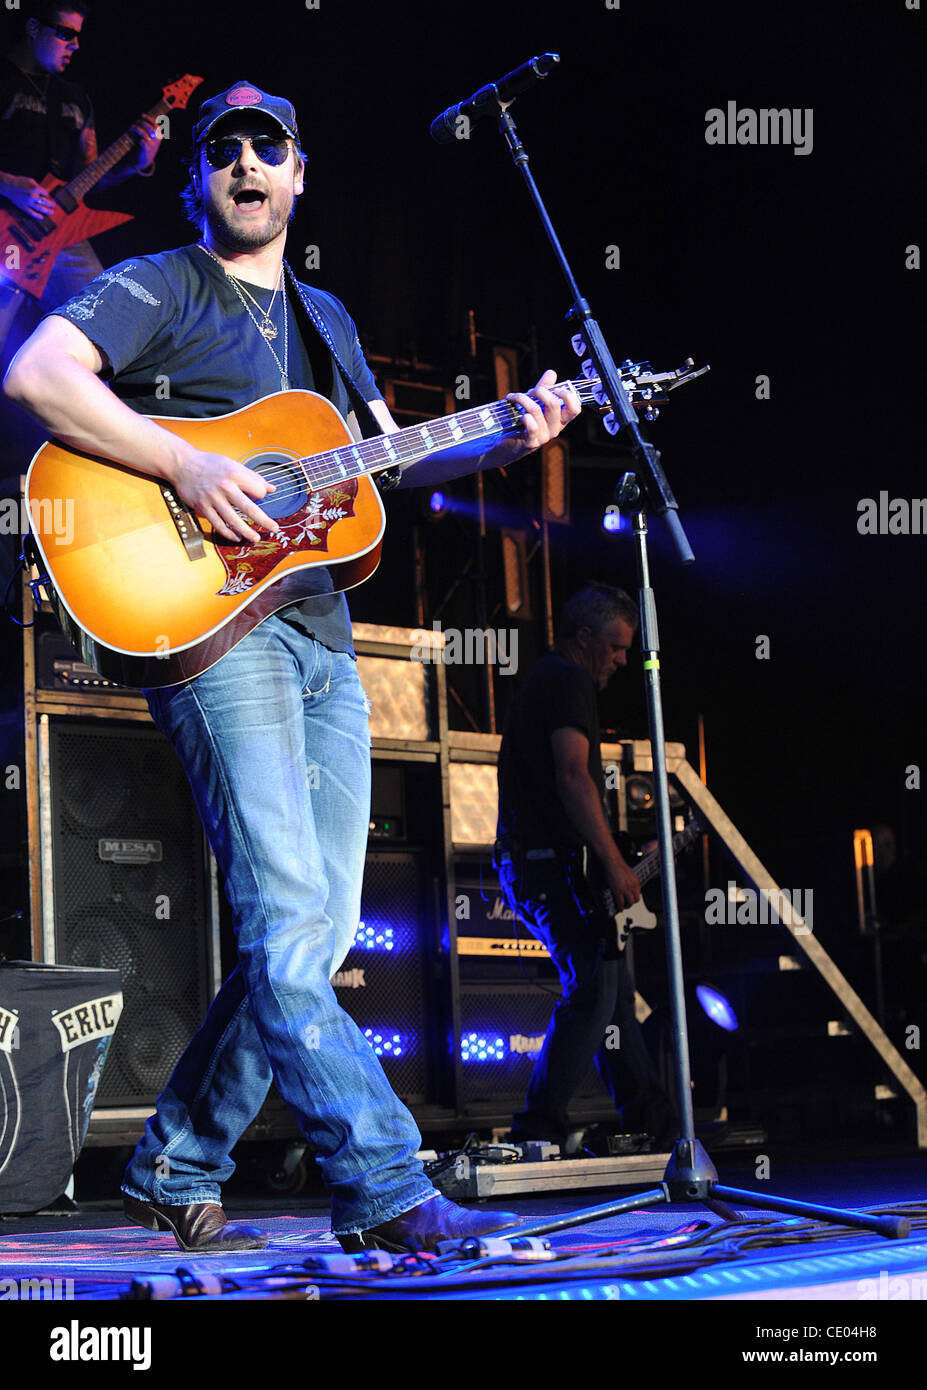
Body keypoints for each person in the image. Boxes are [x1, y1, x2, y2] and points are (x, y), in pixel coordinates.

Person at [3, 79, 581, 1253]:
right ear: (199, 178)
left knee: (314, 930)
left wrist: (503, 432)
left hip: (319, 628)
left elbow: (381, 467)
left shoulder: (326, 317)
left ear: (301, 174)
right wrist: (189, 467)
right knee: (284, 918)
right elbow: (38, 374)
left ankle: (174, 1161)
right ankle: (383, 1181)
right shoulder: (162, 283)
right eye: (224, 151)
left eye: (270, 148)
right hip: (212, 620)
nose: (247, 164)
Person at [495, 582, 676, 1150]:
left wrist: (616, 856)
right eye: (618, 647)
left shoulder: (547, 680)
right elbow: (573, 777)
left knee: (613, 993)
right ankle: (537, 1127)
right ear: (585, 637)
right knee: (595, 985)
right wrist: (617, 866)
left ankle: (652, 1123)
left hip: (550, 863)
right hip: (546, 865)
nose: (624, 660)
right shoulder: (566, 679)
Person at [0, 2, 161, 357]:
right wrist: (8, 185)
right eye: (65, 34)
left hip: (59, 236)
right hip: (4, 227)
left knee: (103, 325)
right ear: (32, 27)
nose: (74, 45)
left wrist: (137, 163)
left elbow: (90, 180)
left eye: (78, 37)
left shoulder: (74, 98)